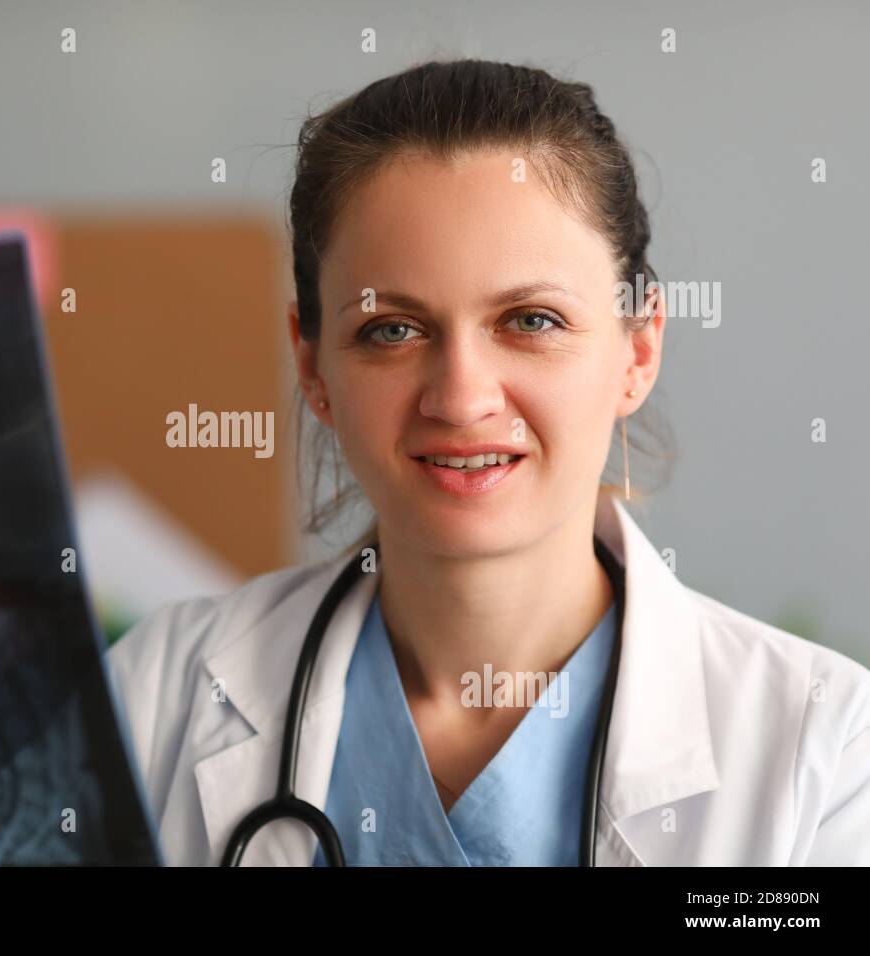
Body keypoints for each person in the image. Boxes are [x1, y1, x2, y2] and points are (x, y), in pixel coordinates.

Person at [104, 58, 870, 866]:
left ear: (637, 350)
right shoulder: (156, 696)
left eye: (531, 320)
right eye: (392, 330)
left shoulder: (824, 747)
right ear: (312, 364)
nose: (462, 399)